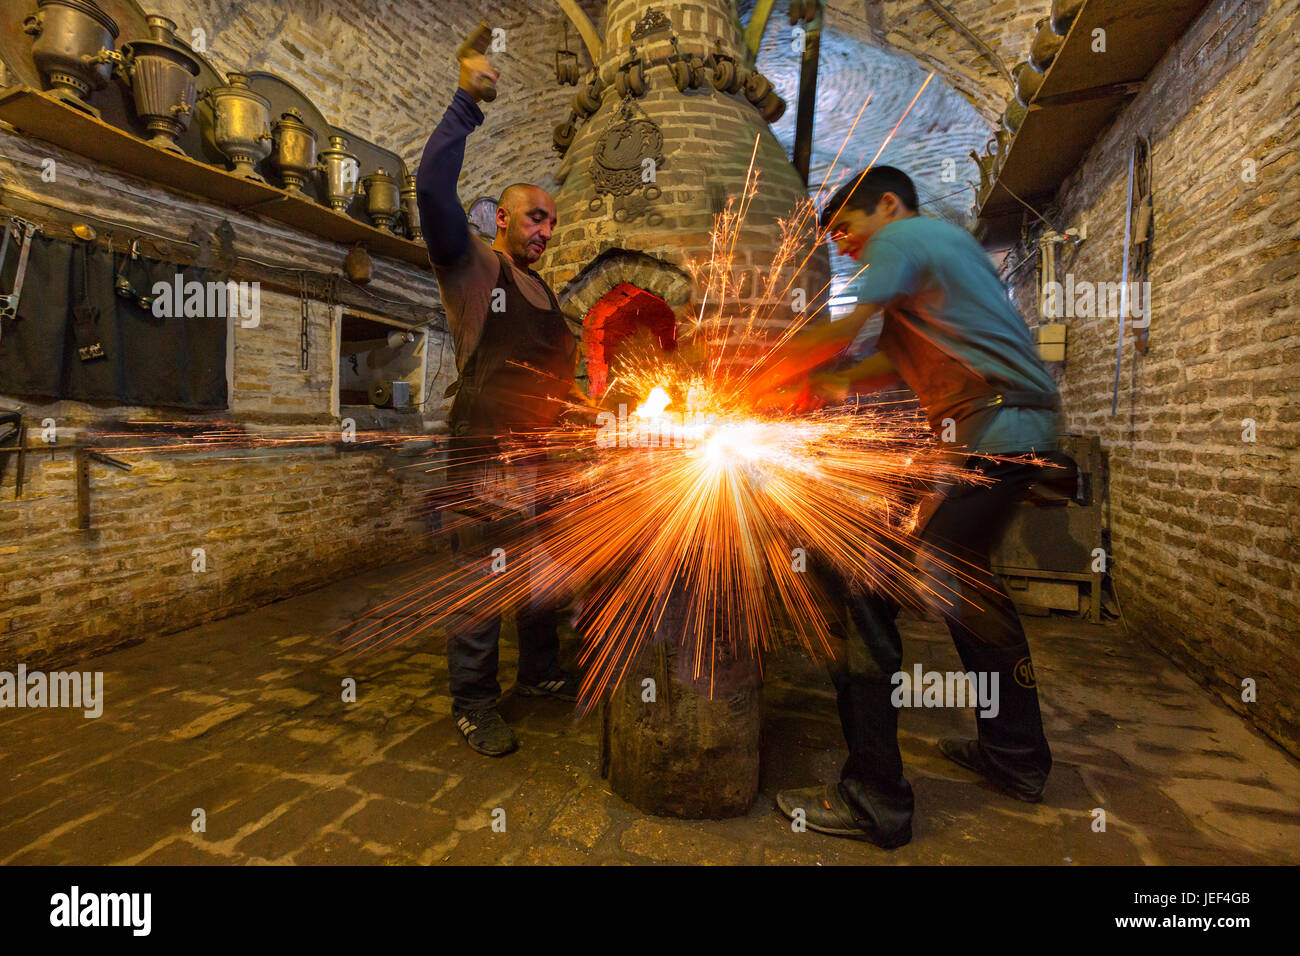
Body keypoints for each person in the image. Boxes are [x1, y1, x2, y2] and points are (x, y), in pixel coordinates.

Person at [753, 166, 1059, 847]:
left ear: (887, 205)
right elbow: (876, 367)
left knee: (862, 585)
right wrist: (824, 384)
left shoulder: (908, 236)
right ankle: (1016, 759)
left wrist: (753, 376)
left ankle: (875, 801)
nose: (847, 251)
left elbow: (839, 332)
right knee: (969, 593)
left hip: (994, 434)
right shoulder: (938, 269)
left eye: (847, 233)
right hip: (1010, 433)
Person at [416, 24, 582, 757]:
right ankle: (474, 701)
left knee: (542, 577)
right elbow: (429, 191)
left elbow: (553, 386)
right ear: (502, 219)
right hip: (485, 457)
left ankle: (542, 672)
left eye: (551, 220)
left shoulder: (546, 292)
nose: (545, 229)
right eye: (534, 217)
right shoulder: (479, 270)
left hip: (540, 459)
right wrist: (464, 100)